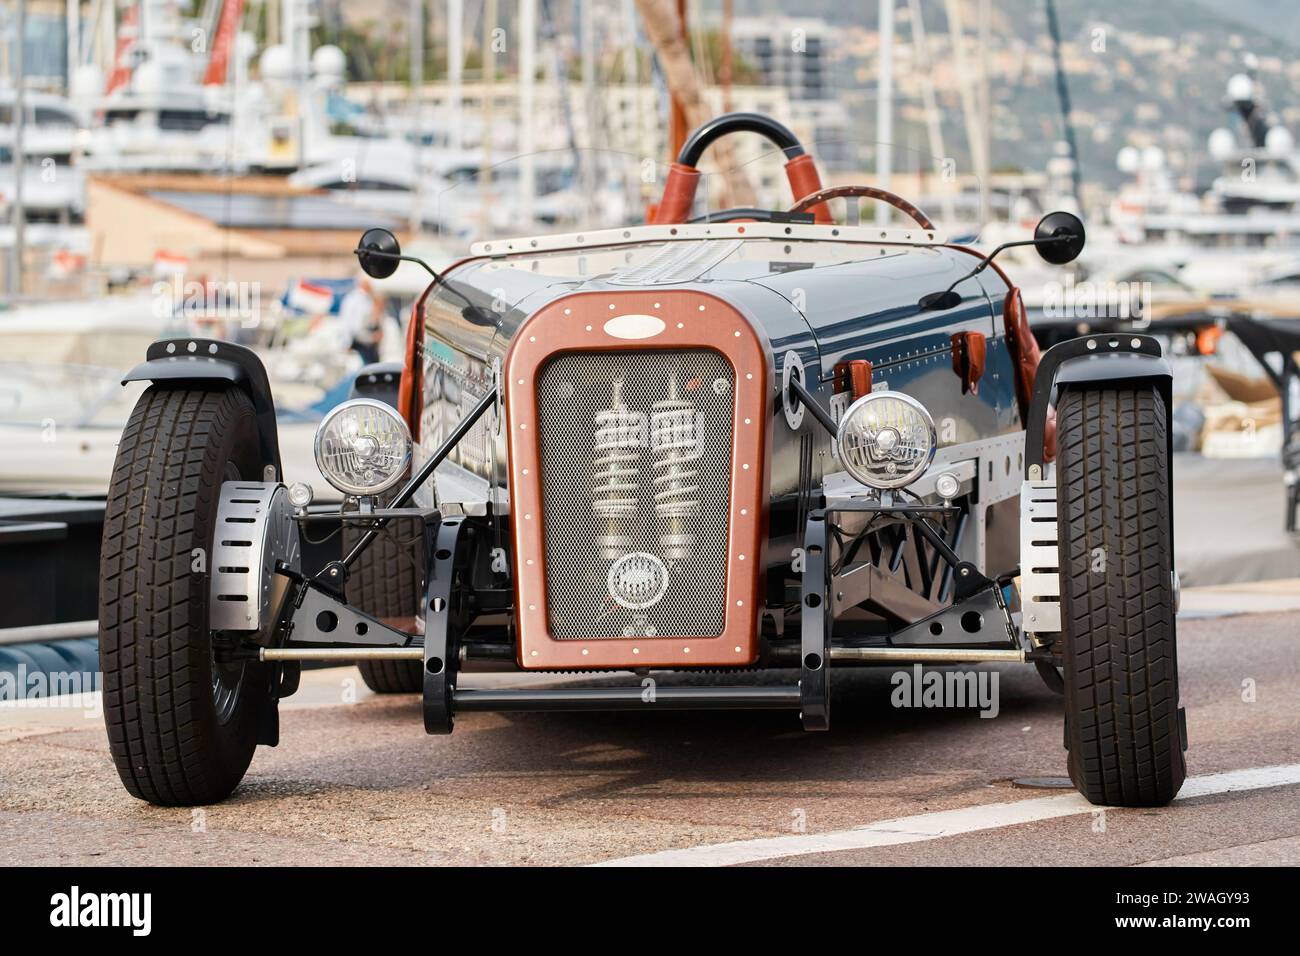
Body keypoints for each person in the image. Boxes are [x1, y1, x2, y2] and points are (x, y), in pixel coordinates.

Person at [338, 275, 384, 365]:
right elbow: (354, 326)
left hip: (363, 341)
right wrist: (372, 337)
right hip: (360, 342)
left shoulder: (356, 298)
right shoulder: (357, 300)